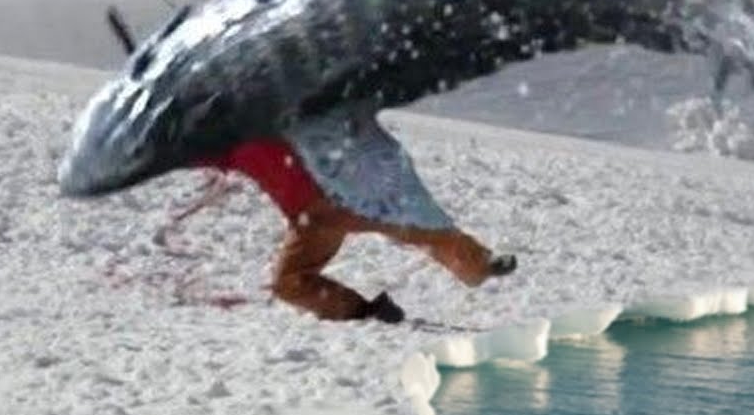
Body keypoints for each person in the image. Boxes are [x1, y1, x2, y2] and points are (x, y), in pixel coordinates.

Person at [168, 136, 516, 323]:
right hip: (312, 217)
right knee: (288, 282)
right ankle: (362, 311)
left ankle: (480, 264)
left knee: (416, 227)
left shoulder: (276, 121)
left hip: (338, 198)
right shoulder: (229, 146)